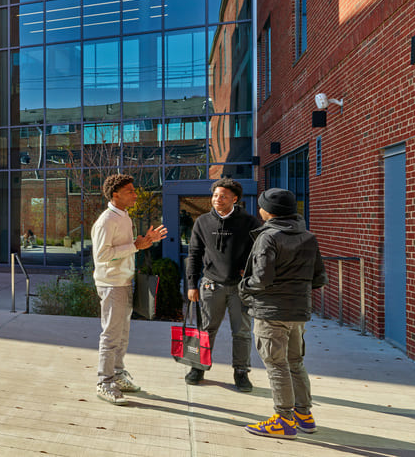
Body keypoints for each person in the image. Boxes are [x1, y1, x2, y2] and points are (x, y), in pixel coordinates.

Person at [240, 188, 326, 439]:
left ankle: (283, 419)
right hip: (298, 311)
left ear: (269, 211)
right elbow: (319, 278)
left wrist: (242, 286)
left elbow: (262, 278)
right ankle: (304, 415)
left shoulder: (268, 237)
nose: (259, 210)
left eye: (261, 206)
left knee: (276, 365)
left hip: (271, 310)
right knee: (295, 363)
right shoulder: (308, 236)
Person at [91, 174, 166, 405]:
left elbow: (123, 248)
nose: (135, 194)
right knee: (111, 335)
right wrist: (135, 245)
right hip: (111, 283)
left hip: (124, 281)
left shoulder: (124, 216)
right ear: (116, 194)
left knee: (122, 335)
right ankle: (104, 382)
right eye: (130, 191)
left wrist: (141, 243)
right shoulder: (107, 220)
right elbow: (102, 256)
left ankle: (118, 374)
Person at [184, 178, 263, 391]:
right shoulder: (202, 222)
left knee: (242, 332)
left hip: (240, 287)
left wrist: (249, 272)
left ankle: (241, 372)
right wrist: (192, 284)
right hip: (211, 285)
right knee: (206, 329)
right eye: (215, 195)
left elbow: (262, 252)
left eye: (223, 196)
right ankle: (198, 367)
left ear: (234, 199)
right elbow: (194, 254)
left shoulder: (250, 222)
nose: (217, 199)